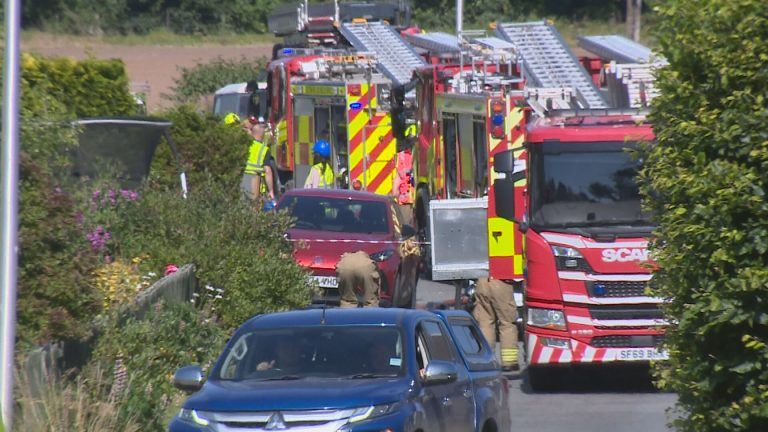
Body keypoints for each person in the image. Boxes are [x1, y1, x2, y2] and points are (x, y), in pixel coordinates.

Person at [472, 277, 519, 371]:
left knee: (485, 322)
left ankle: (486, 361)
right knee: (507, 323)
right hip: (501, 281)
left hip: (481, 282)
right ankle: (509, 362)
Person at [240, 118, 276, 205]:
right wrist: (271, 191)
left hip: (242, 177)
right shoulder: (263, 149)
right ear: (262, 134)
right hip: (255, 180)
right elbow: (267, 171)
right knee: (253, 208)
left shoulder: (245, 145)